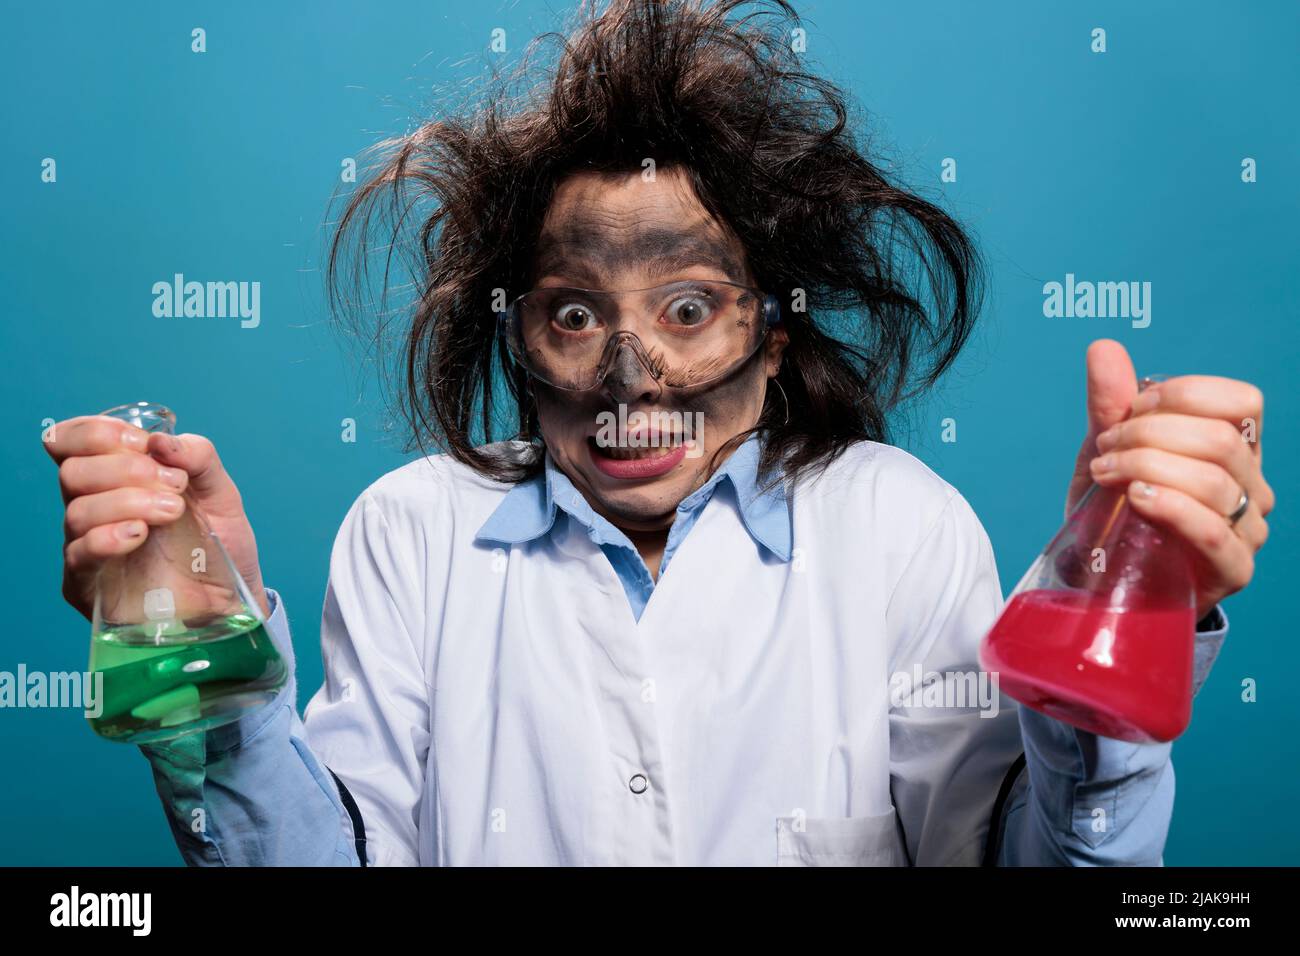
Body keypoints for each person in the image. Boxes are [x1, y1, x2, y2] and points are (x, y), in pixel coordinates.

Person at [46, 0, 1272, 866]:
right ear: (514, 337)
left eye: (688, 306)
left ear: (775, 331)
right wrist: (214, 677)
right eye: (574, 313)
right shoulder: (412, 531)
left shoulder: (896, 523)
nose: (631, 376)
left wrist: (1114, 607)